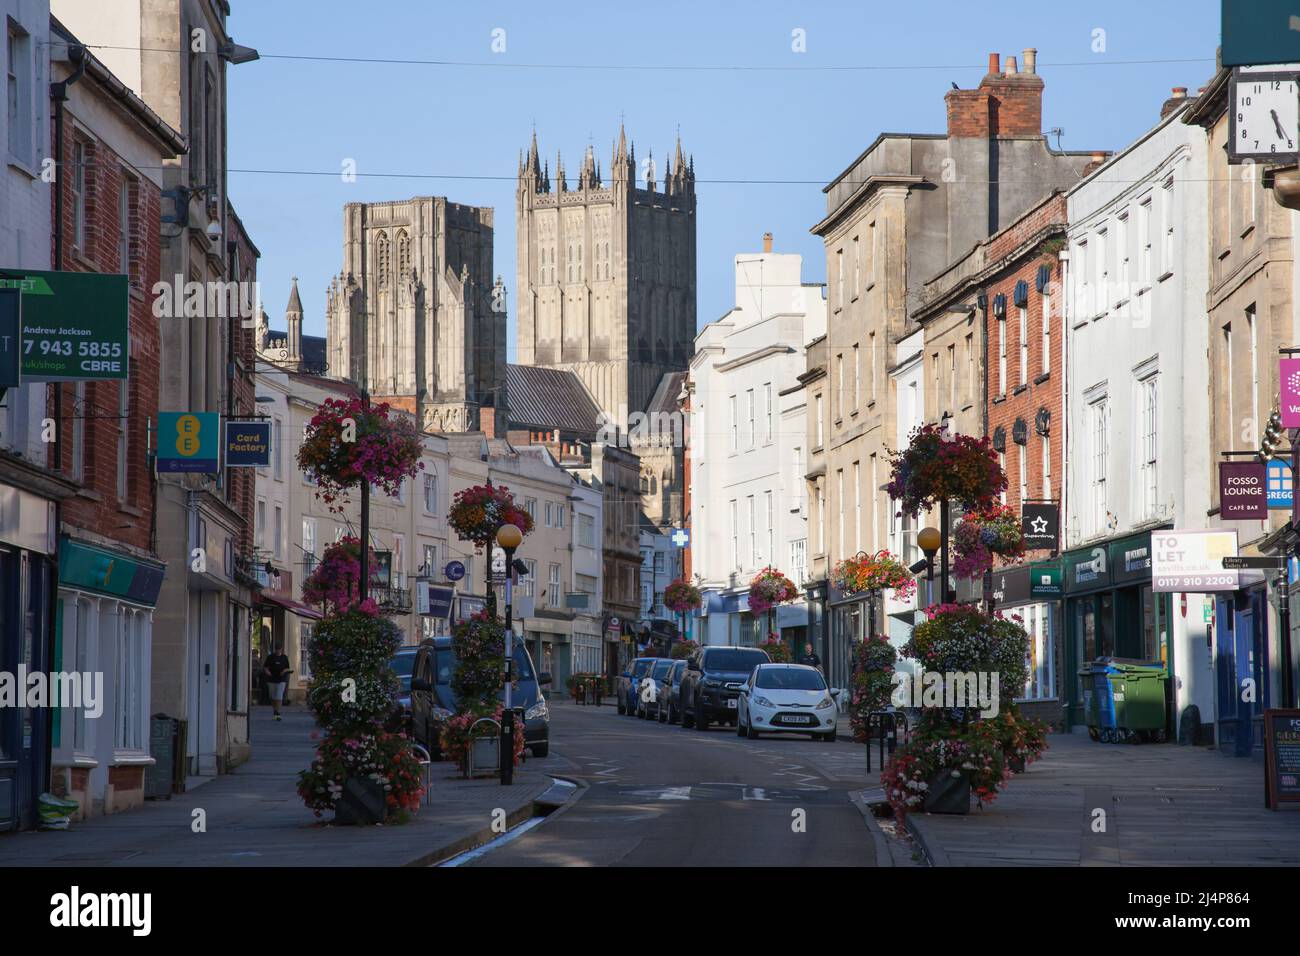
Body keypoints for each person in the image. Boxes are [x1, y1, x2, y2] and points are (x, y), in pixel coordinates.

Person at [263, 645, 292, 720]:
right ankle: (275, 710)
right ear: (274, 649)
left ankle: (278, 713)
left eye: (279, 649)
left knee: (279, 696)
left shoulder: (284, 657)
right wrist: (267, 672)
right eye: (276, 649)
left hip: (281, 680)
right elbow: (265, 667)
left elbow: (287, 668)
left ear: (281, 649)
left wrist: (283, 672)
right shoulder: (270, 657)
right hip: (271, 679)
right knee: (272, 697)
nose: (278, 651)